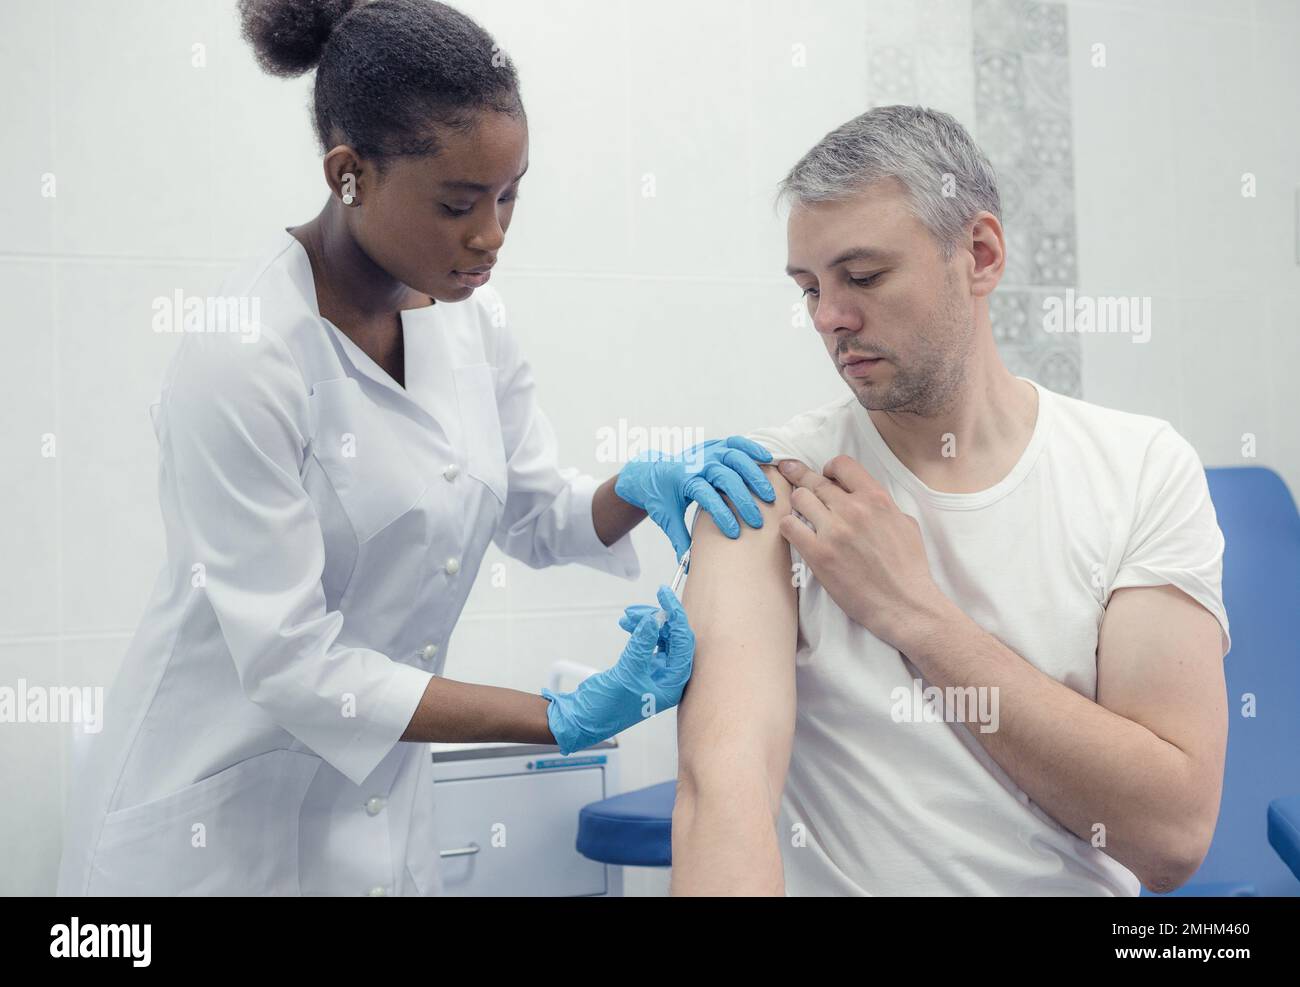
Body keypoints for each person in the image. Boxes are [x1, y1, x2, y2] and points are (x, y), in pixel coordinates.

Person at [56, 0, 774, 897]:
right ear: (348, 173)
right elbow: (295, 666)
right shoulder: (243, 358)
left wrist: (637, 482)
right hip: (210, 825)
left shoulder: (470, 321)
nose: (491, 236)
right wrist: (560, 719)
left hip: (376, 819)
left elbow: (535, 510)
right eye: (457, 204)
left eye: (510, 195)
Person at [670, 105, 1231, 896]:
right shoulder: (771, 486)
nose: (830, 316)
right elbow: (719, 794)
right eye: (809, 288)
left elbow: (1171, 836)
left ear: (980, 254)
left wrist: (914, 613)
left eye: (862, 276)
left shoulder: (1141, 470)